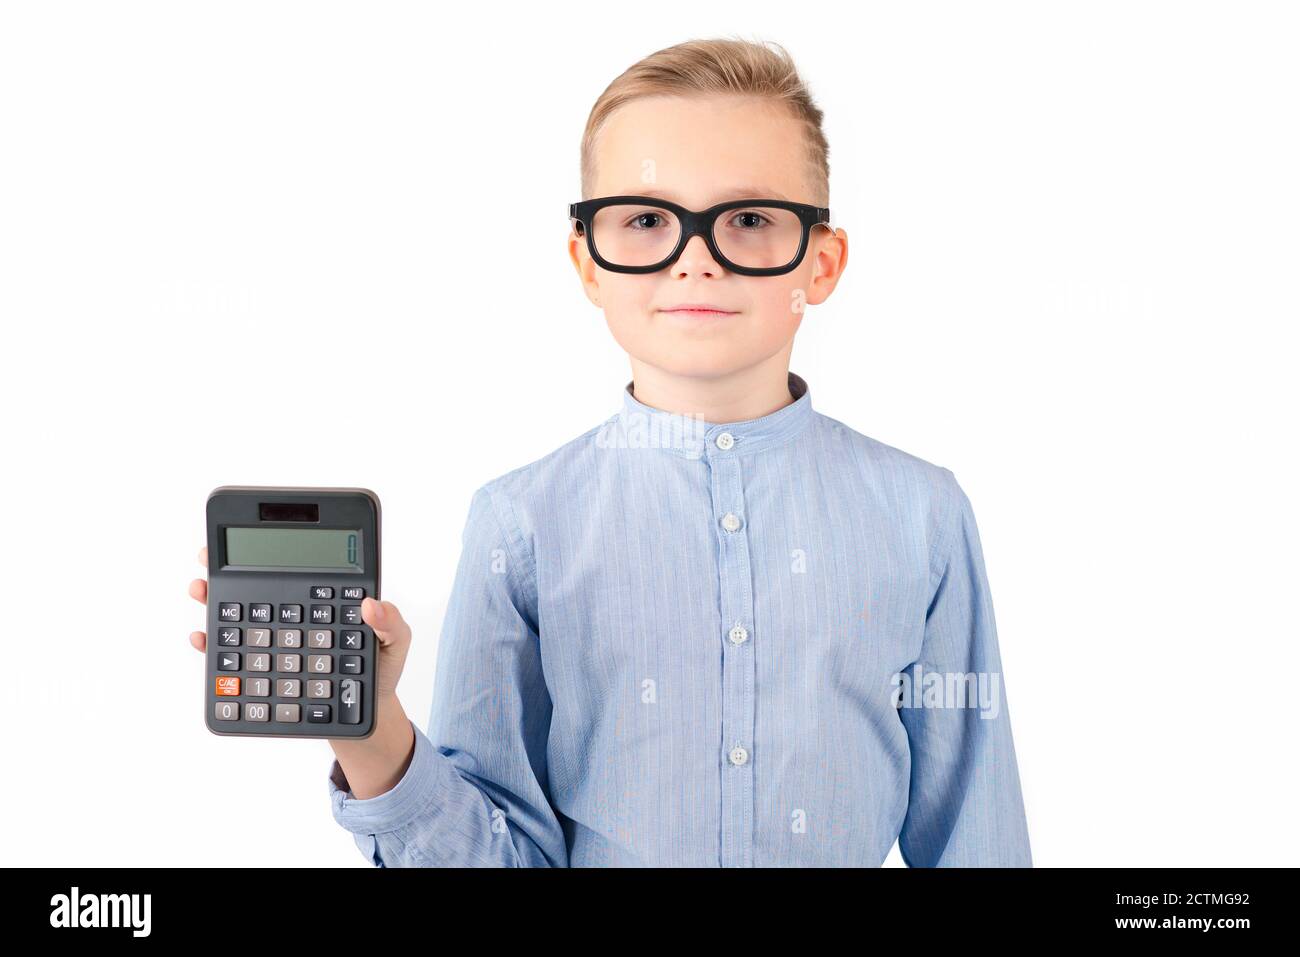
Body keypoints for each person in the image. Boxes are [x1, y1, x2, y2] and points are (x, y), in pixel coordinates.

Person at [188, 36, 1031, 867]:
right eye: (645, 220)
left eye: (747, 219)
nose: (696, 260)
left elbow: (976, 836)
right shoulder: (521, 523)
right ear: (587, 261)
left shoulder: (922, 514)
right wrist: (373, 737)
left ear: (822, 259)